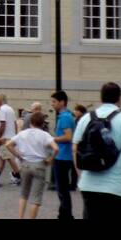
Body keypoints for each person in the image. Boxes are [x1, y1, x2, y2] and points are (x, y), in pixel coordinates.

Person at [73, 82, 121, 220]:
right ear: (119, 98)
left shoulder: (86, 118)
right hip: (118, 187)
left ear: (101, 98)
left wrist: (80, 175)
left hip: (89, 186)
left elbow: (75, 148)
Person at [4, 111, 57, 219]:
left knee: (24, 194)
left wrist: (18, 156)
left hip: (26, 164)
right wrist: (50, 159)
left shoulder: (23, 133)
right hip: (39, 165)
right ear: (42, 124)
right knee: (36, 197)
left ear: (30, 122)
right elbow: (56, 148)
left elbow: (8, 144)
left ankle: (20, 217)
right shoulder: (45, 135)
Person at [51, 90, 76, 219]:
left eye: (54, 102)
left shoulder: (65, 117)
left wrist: (52, 139)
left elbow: (68, 136)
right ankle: (63, 213)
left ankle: (67, 215)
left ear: (62, 102)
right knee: (62, 188)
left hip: (62, 156)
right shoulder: (66, 116)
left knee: (62, 189)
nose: (52, 104)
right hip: (64, 156)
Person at [0, 94, 20, 184]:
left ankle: (18, 175)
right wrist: (16, 136)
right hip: (11, 136)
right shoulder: (11, 109)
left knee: (9, 158)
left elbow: (2, 124)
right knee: (3, 158)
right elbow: (15, 123)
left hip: (4, 137)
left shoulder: (1, 109)